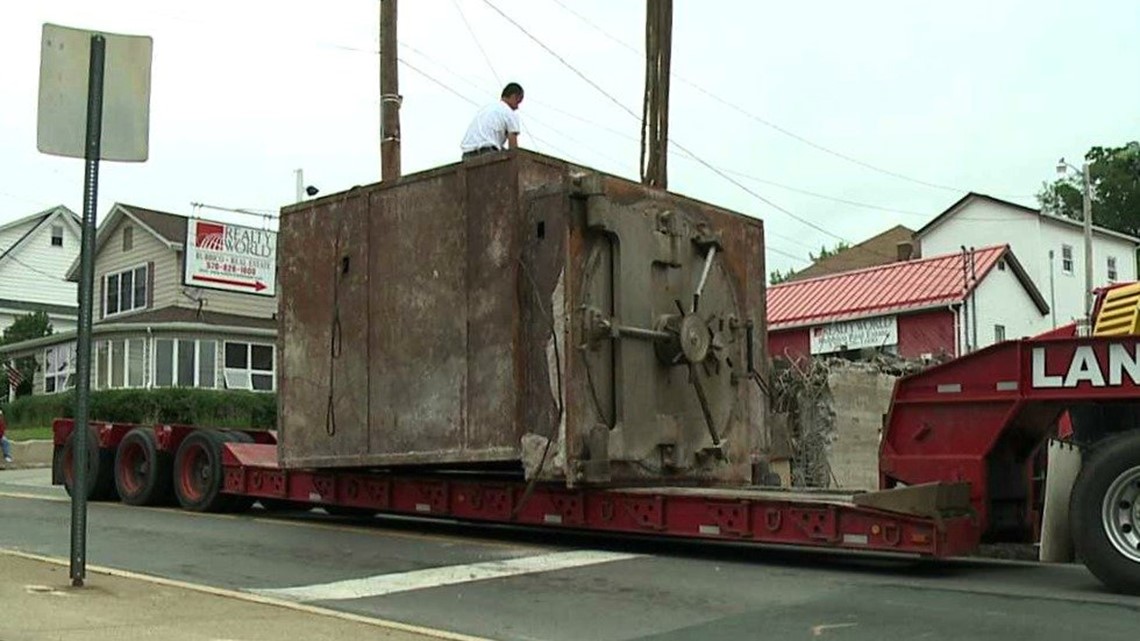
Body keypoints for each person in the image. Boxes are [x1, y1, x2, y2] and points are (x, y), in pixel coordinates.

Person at [460, 82, 524, 159]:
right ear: (514, 97)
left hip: (467, 155)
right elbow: (513, 148)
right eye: (518, 102)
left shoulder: (486, 109)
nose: (517, 107)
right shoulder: (509, 112)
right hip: (488, 154)